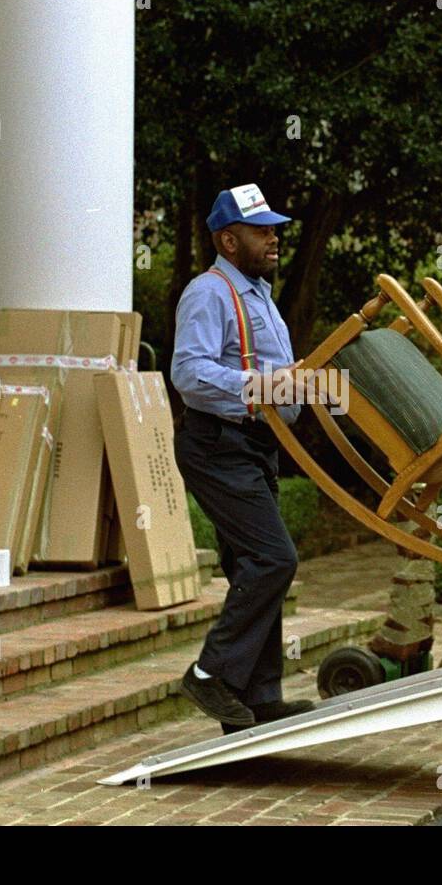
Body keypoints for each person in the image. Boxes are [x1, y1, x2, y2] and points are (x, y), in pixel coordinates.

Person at [170, 183, 316, 731]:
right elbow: (188, 374)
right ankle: (211, 676)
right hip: (217, 445)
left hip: (252, 445)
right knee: (274, 559)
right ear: (228, 240)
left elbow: (276, 379)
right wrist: (266, 384)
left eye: (274, 228)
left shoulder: (259, 294)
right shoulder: (209, 293)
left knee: (250, 566)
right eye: (262, 231)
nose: (274, 238)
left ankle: (257, 694)